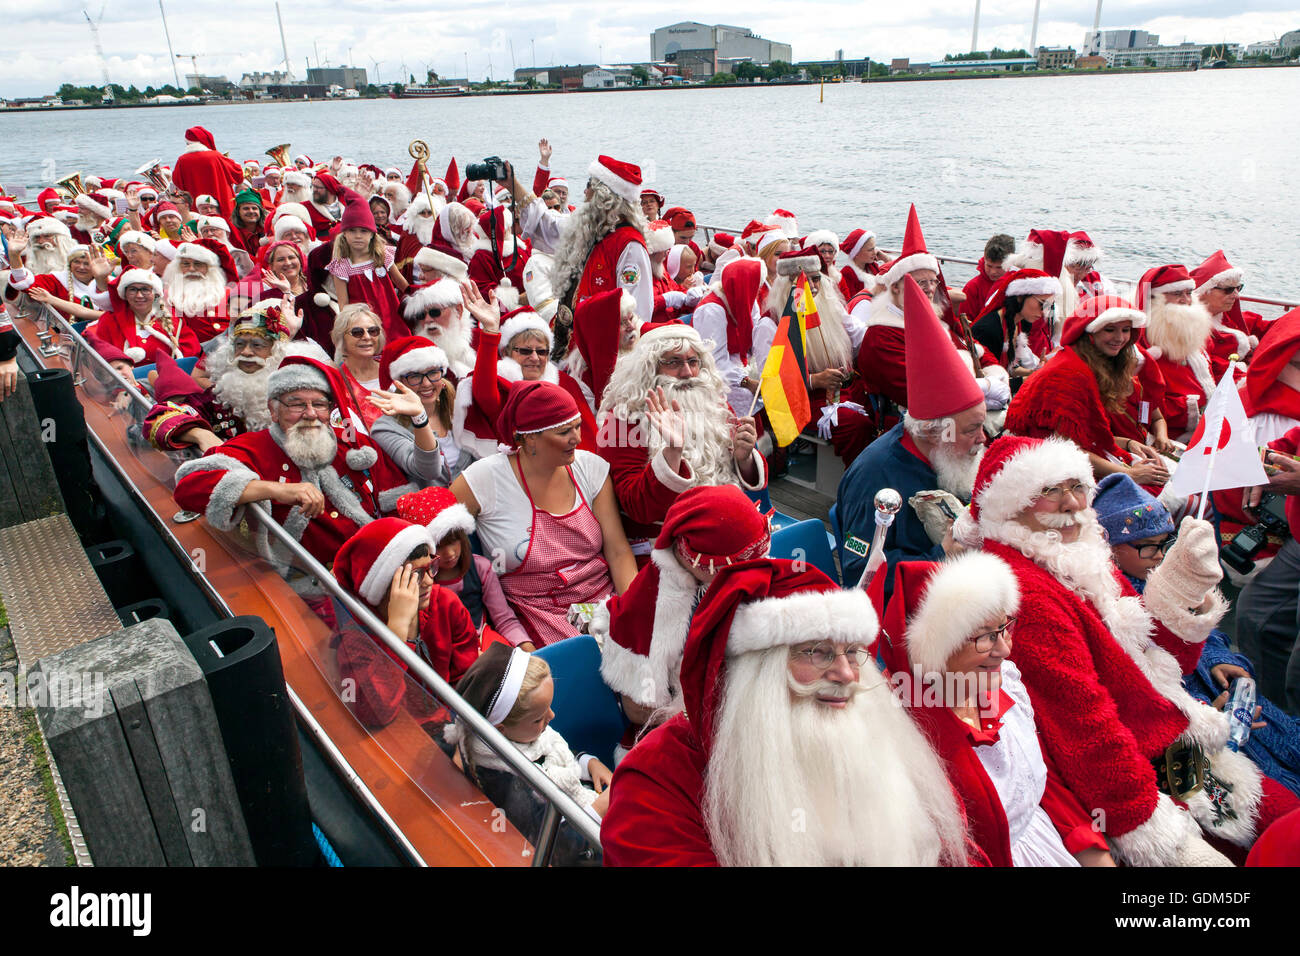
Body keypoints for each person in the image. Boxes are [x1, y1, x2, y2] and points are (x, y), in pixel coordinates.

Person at [953, 434, 1300, 864]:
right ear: (1010, 504)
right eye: (1049, 490)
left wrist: (1181, 588)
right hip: (1139, 783)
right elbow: (1083, 727)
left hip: (1180, 748)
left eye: (1077, 485)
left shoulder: (1078, 553)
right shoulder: (1025, 591)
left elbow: (1161, 663)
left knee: (1286, 820)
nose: (1071, 502)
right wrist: (1154, 831)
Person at [599, 559, 970, 866]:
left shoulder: (868, 733)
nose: (846, 675)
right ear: (756, 671)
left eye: (853, 651)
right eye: (818, 652)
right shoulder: (658, 782)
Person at [881, 552, 1114, 866]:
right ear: (936, 648)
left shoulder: (1003, 684)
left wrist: (1095, 855)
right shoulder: (901, 735)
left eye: (1005, 628)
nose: (1004, 649)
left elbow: (1047, 788)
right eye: (986, 637)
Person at [1095, 473, 1300, 798]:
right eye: (1150, 547)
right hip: (1192, 728)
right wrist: (1203, 711)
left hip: (1224, 695)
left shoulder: (1163, 578)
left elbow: (1208, 635)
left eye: (1167, 543)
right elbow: (1140, 682)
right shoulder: (1109, 604)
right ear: (1111, 546)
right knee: (1269, 786)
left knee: (1286, 741)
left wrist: (1221, 659)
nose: (1162, 555)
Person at [174, 355, 416, 571]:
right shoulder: (254, 447)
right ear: (274, 410)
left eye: (319, 404)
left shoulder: (356, 444)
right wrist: (278, 489)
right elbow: (189, 488)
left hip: (380, 566)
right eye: (297, 404)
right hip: (309, 585)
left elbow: (399, 503)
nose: (310, 413)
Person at [450, 381, 636, 647]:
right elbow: (438, 531)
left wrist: (634, 612)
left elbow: (618, 551)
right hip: (533, 617)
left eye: (577, 426)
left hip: (602, 603)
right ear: (529, 437)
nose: (578, 439)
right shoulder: (484, 479)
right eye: (564, 432)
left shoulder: (590, 468)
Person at [593, 486, 771, 764]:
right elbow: (639, 710)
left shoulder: (743, 582)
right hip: (679, 739)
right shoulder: (647, 608)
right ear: (704, 563)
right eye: (742, 564)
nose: (754, 572)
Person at [837, 274, 987, 595]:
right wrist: (941, 557)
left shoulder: (949, 456)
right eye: (972, 429)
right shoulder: (874, 477)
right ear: (935, 430)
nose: (983, 439)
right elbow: (858, 573)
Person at [596, 322, 766, 556]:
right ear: (648, 369)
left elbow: (740, 477)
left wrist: (744, 458)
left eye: (693, 361)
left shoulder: (713, 404)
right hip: (663, 547)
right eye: (673, 362)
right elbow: (636, 507)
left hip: (723, 530)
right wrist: (671, 454)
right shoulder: (623, 419)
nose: (686, 373)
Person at [445, 645, 607, 864]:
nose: (552, 715)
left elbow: (548, 750)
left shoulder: (523, 735)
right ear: (500, 730)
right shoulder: (509, 786)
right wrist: (597, 811)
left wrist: (588, 762)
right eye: (539, 718)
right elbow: (546, 849)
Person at [1005, 295, 1173, 488]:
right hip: (1043, 468)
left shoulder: (1082, 364)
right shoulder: (1070, 374)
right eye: (1110, 329)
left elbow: (1083, 439)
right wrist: (1130, 474)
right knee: (1164, 491)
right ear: (1090, 333)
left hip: (1060, 458)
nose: (1119, 338)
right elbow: (1067, 448)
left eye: (1126, 330)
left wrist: (1127, 443)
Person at [331, 517, 479, 690]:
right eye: (414, 575)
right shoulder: (356, 640)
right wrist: (398, 628)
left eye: (430, 567)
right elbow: (378, 710)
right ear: (381, 584)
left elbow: (466, 679)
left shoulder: (446, 604)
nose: (429, 582)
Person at [144, 302, 307, 452]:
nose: (246, 352)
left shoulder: (304, 395)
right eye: (240, 344)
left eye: (257, 345)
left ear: (276, 352)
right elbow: (161, 417)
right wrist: (200, 435)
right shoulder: (219, 397)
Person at [457, 299, 598, 458]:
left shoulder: (564, 383)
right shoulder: (501, 384)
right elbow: (485, 394)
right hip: (514, 470)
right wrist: (490, 331)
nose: (535, 358)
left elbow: (587, 437)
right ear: (506, 353)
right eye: (525, 351)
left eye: (542, 351)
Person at [395, 486, 530, 648]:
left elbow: (504, 619)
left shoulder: (481, 567)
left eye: (454, 541)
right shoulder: (421, 585)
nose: (450, 553)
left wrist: (525, 646)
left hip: (482, 638)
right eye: (439, 546)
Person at [547, 154, 653, 322]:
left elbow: (636, 315)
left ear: (605, 198)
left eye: (589, 186)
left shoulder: (629, 245)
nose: (585, 192)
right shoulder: (596, 235)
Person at [34, 267, 201, 366]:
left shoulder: (173, 319)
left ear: (155, 294)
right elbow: (100, 362)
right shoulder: (111, 320)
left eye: (145, 289)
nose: (139, 295)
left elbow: (190, 356)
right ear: (125, 294)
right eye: (133, 290)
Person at [369, 336, 467, 486]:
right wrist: (419, 416)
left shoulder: (461, 408)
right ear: (400, 382)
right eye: (415, 376)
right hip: (433, 508)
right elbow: (429, 471)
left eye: (433, 372)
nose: (426, 383)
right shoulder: (384, 427)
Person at [1137, 263, 1217, 440]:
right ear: (1155, 298)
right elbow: (1146, 406)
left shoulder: (1199, 336)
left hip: (1207, 428)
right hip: (1171, 436)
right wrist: (1193, 406)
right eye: (1177, 294)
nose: (1186, 300)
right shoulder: (1146, 347)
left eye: (1188, 293)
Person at [325, 194, 409, 342]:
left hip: (392, 318)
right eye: (352, 231)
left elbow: (402, 284)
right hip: (365, 325)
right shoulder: (341, 266)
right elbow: (344, 305)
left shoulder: (382, 256)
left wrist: (420, 299)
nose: (358, 236)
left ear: (372, 233)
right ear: (344, 234)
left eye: (363, 231)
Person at [689, 255, 765, 414]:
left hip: (736, 361)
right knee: (744, 395)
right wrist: (746, 381)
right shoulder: (712, 310)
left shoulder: (747, 302)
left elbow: (757, 335)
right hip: (706, 370)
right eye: (755, 286)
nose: (757, 290)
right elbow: (713, 362)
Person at [968, 268, 1057, 375]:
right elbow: (988, 380)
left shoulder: (1021, 322)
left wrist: (1035, 372)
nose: (1044, 312)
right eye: (1042, 304)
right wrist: (1030, 378)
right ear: (1020, 296)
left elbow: (1010, 368)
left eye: (1049, 306)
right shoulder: (989, 330)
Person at [1193, 250, 1264, 377]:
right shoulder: (1192, 329)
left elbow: (1263, 325)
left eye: (1238, 288)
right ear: (1204, 292)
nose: (1236, 295)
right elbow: (1216, 368)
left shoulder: (1223, 315)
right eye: (1229, 289)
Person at [162, 239, 236, 342]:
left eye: (198, 264)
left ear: (209, 269)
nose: (191, 269)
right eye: (186, 264)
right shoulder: (169, 297)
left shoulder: (228, 293)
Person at [330, 303, 387, 432]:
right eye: (357, 332)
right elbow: (346, 435)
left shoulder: (394, 371)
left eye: (373, 331)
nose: (367, 337)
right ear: (341, 338)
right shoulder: (336, 381)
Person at [170, 126, 243, 226]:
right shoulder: (216, 156)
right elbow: (238, 175)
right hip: (223, 206)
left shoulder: (182, 160)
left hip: (197, 208)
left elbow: (177, 183)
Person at [960, 233, 1015, 322]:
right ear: (984, 259)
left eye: (999, 267)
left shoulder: (1019, 284)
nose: (993, 272)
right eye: (989, 266)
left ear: (1010, 263)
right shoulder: (972, 288)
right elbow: (965, 323)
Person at [837, 228, 885, 302]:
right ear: (856, 253)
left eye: (874, 248)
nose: (874, 252)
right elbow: (851, 302)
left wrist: (886, 259)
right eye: (870, 250)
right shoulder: (847, 274)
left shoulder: (872, 266)